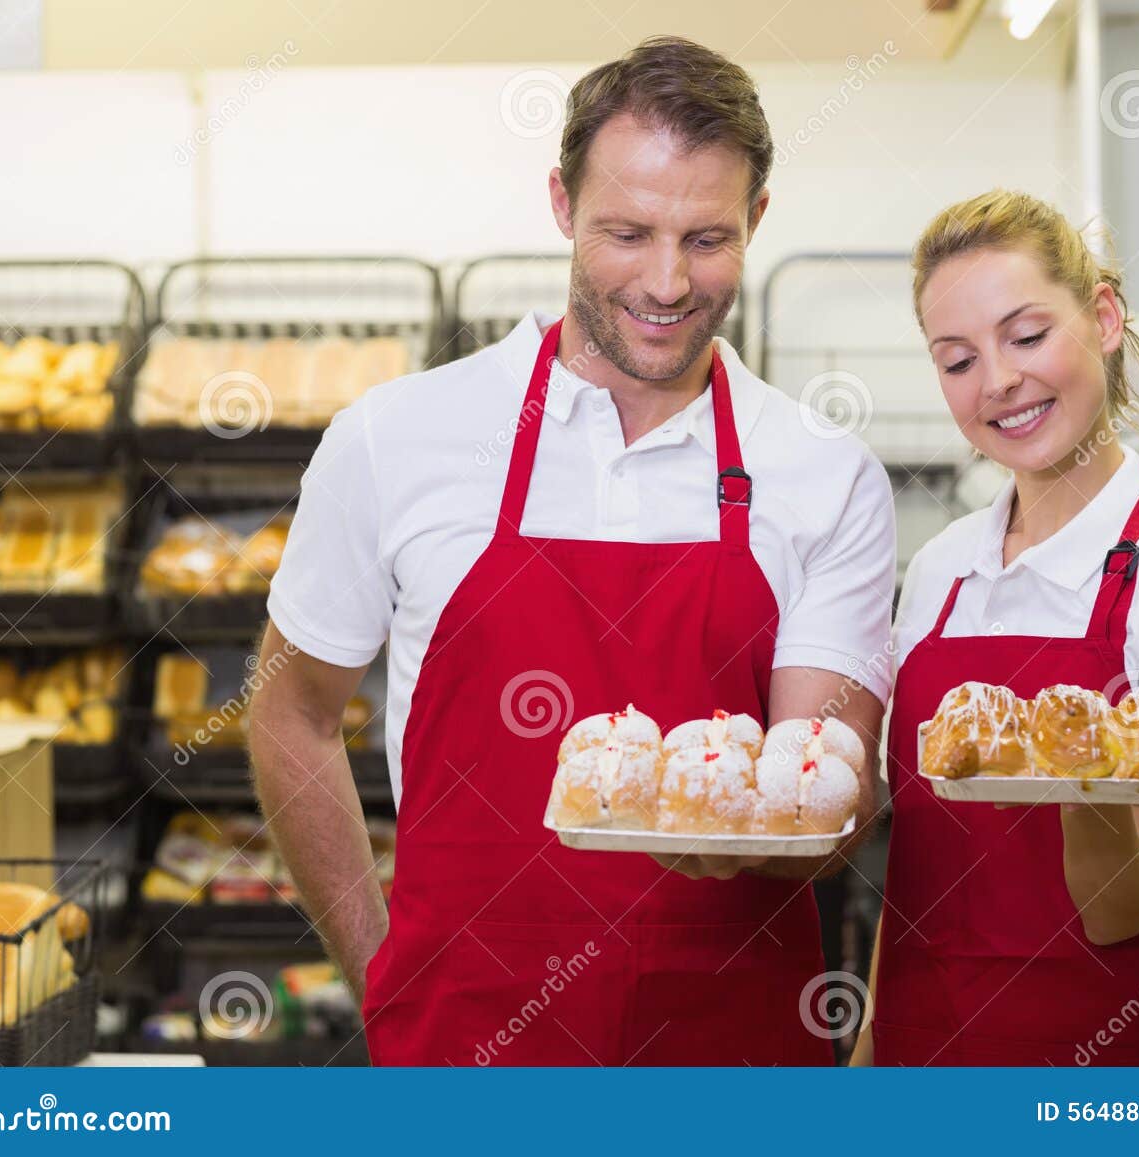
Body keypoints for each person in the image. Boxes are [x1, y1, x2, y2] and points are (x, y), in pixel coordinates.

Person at [248, 36, 896, 1066]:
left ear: (759, 220)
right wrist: (381, 972)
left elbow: (821, 790)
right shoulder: (398, 435)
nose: (667, 280)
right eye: (627, 232)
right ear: (560, 203)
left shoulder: (824, 472)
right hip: (462, 1044)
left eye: (707, 237)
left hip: (729, 1053)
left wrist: (795, 822)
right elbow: (292, 708)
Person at [854, 190, 1139, 1066]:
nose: (998, 380)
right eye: (957, 358)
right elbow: (918, 865)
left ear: (1106, 317)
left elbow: (1124, 907)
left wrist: (1079, 770)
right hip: (920, 1048)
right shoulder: (939, 570)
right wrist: (864, 1047)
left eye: (1028, 335)